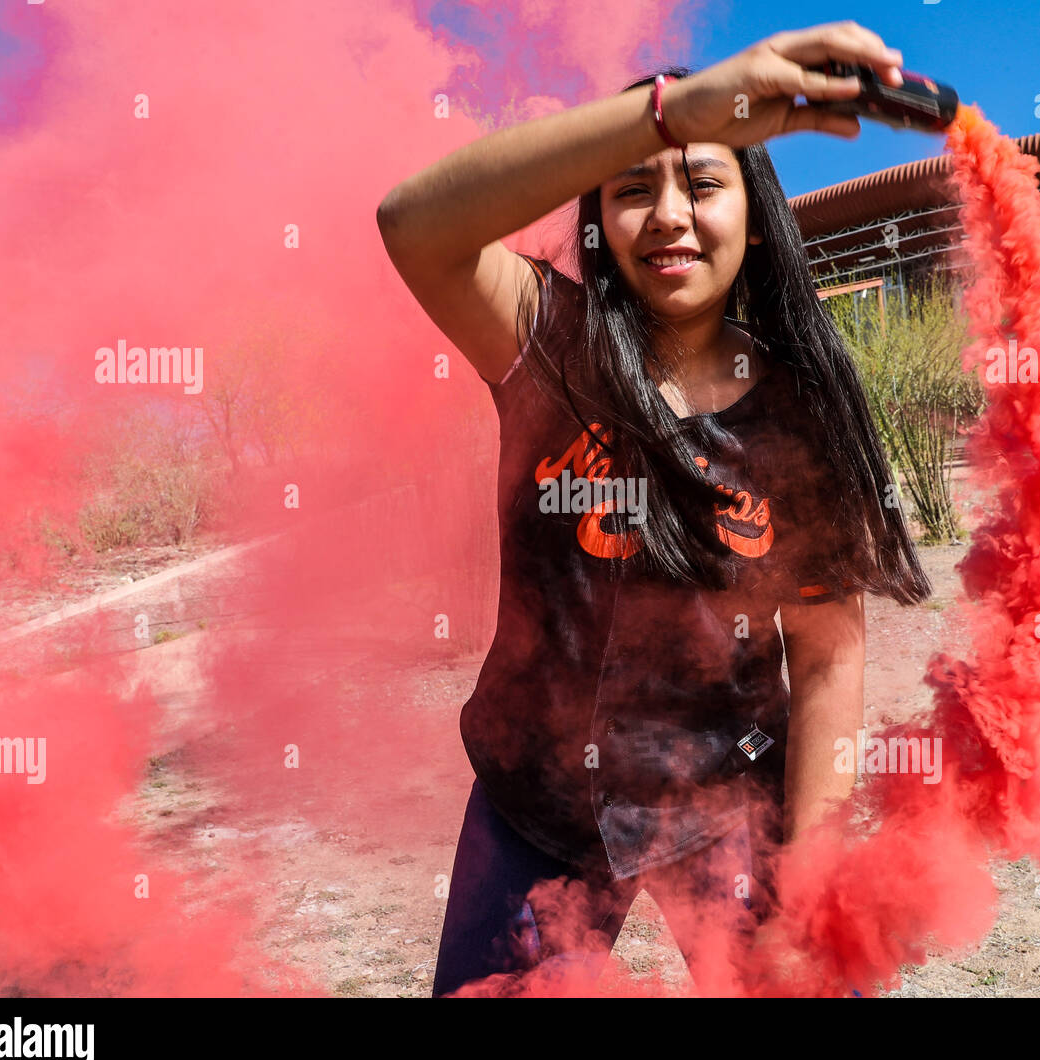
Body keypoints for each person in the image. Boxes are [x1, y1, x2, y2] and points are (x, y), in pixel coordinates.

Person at [378, 21, 932, 997]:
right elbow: (412, 223)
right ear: (597, 216)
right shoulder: (546, 342)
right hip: (534, 808)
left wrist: (806, 870)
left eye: (702, 184)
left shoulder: (798, 411)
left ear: (755, 218)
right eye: (635, 186)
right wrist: (671, 115)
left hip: (727, 807)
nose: (668, 214)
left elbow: (829, 651)